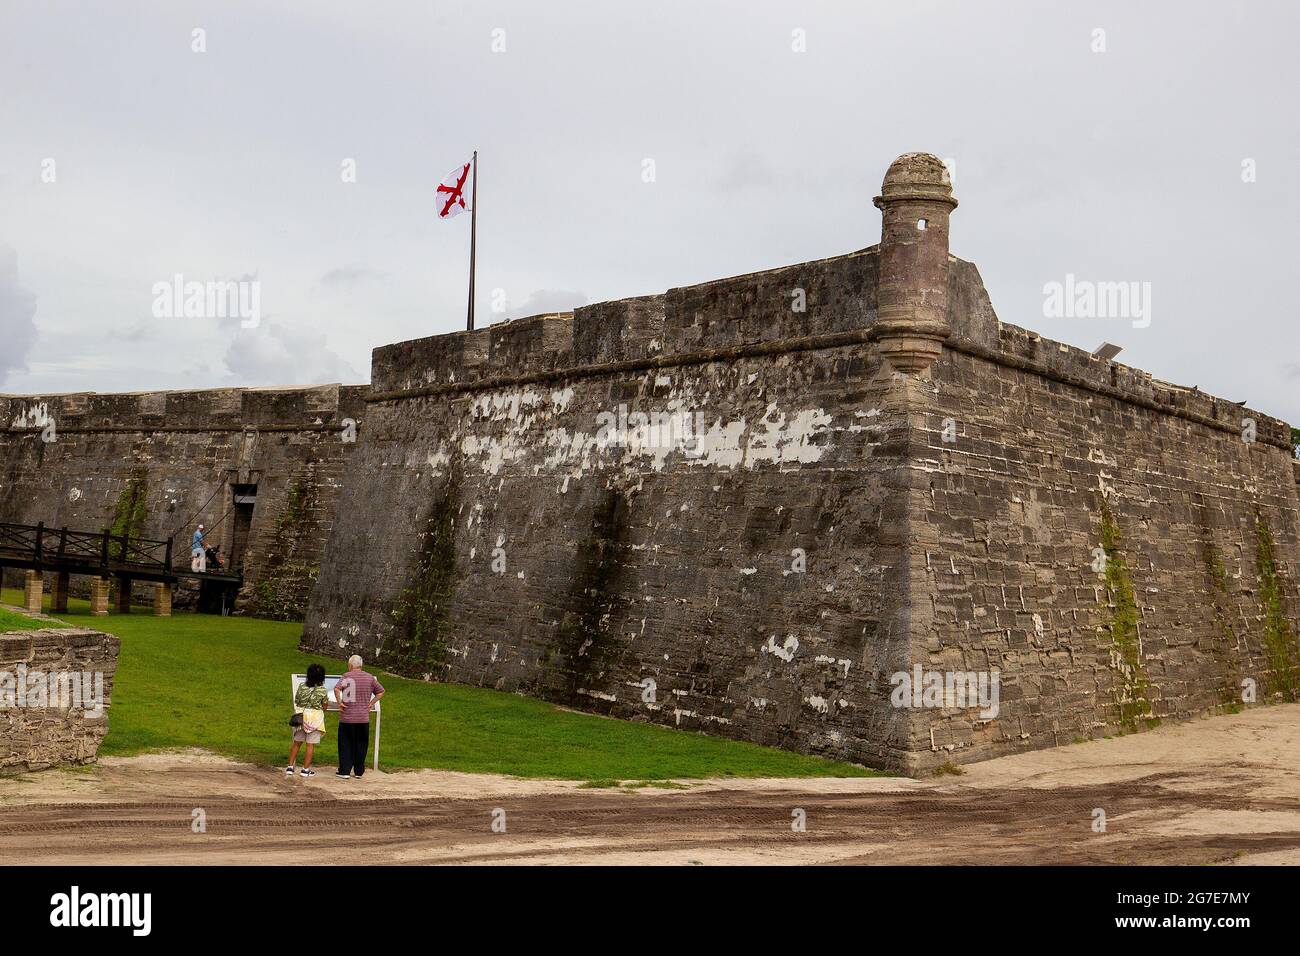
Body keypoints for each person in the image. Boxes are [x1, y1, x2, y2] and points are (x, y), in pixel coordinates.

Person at [334, 654, 384, 778]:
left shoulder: (346, 676)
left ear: (350, 665)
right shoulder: (370, 677)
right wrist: (371, 703)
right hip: (363, 717)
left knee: (345, 743)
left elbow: (336, 689)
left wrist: (340, 702)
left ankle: (345, 770)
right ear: (361, 665)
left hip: (347, 716)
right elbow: (381, 691)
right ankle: (359, 771)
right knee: (361, 744)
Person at [287, 663, 328, 777]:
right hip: (315, 719)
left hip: (301, 718)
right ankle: (305, 770)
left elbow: (297, 701)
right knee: (310, 745)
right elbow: (325, 705)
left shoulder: (301, 686)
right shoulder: (322, 690)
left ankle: (290, 767)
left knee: (297, 743)